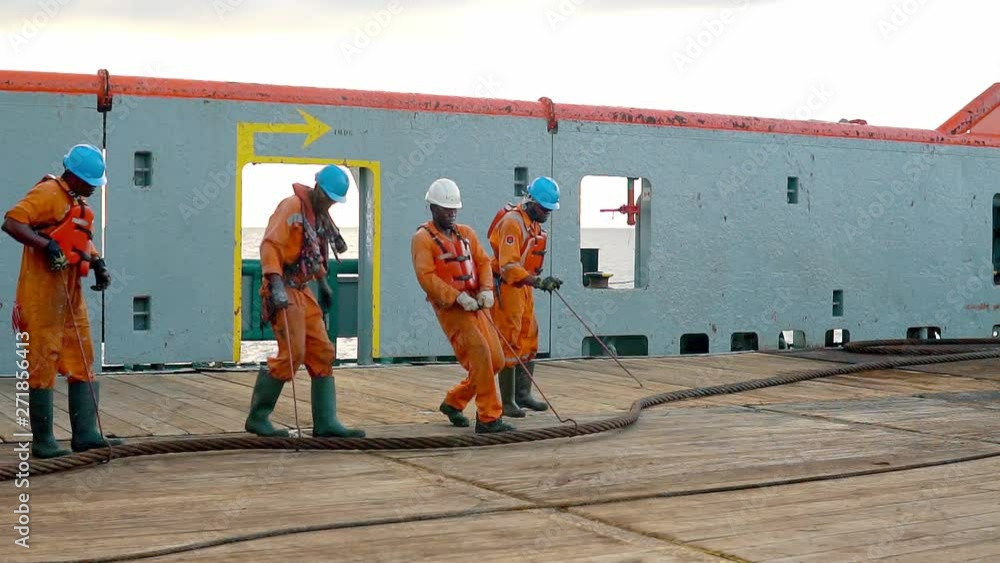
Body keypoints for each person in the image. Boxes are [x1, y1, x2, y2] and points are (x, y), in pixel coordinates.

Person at [2, 143, 120, 458]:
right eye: (91, 183)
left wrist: (98, 264)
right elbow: (12, 222)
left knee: (81, 359)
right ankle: (44, 441)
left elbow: (79, 239)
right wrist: (46, 245)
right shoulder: (47, 193)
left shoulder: (76, 202)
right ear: (75, 176)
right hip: (40, 296)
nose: (95, 188)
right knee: (42, 363)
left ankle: (86, 433)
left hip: (69, 297)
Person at [245, 165, 365, 438]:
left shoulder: (318, 216)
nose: (330, 204)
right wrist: (275, 284)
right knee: (293, 353)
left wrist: (323, 284)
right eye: (329, 197)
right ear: (318, 188)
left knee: (322, 351)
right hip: (283, 288)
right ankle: (258, 417)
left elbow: (312, 255)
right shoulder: (290, 207)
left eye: (335, 200)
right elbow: (270, 246)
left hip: (303, 289)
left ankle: (326, 422)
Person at [410, 178, 514, 433]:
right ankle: (489, 417)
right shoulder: (422, 239)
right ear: (433, 208)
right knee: (480, 354)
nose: (452, 213)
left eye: (454, 209)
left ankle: (454, 402)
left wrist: (486, 289)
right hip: (452, 309)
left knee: (496, 360)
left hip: (478, 303)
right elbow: (426, 277)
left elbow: (483, 262)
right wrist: (457, 297)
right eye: (446, 209)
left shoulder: (466, 233)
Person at [487, 176, 563, 418]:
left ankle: (523, 394)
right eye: (544, 208)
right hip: (507, 288)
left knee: (529, 336)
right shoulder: (512, 223)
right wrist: (538, 282)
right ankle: (507, 401)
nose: (548, 213)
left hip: (525, 288)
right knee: (509, 340)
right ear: (531, 202)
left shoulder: (534, 223)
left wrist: (538, 281)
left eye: (550, 209)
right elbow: (508, 266)